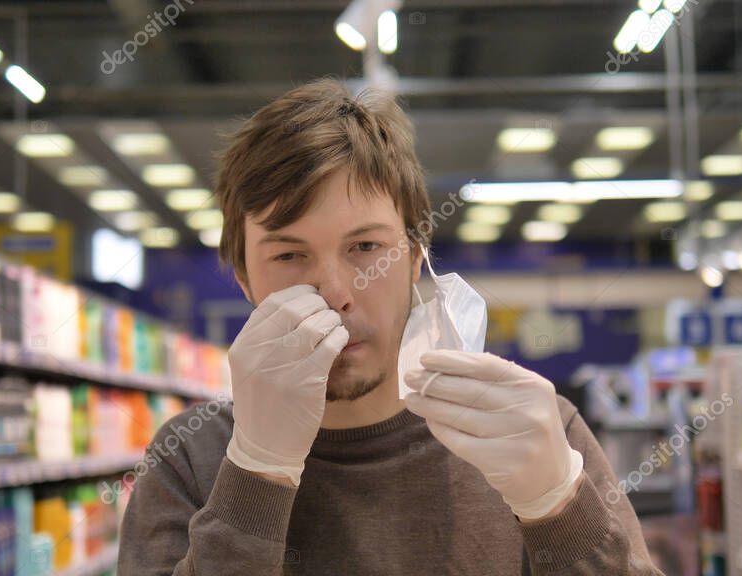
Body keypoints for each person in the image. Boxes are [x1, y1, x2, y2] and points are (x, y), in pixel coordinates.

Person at [118, 79, 663, 576]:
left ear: (412, 260)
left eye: (366, 248)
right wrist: (257, 471)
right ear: (244, 280)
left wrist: (559, 508)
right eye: (288, 255)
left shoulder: (530, 435)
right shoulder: (188, 458)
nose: (335, 294)